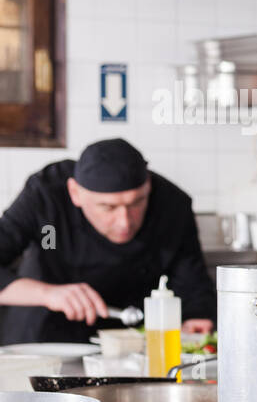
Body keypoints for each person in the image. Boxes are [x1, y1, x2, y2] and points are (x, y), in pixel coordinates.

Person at [0, 138, 216, 343]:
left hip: (128, 344)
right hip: (41, 339)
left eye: (137, 203)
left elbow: (193, 283)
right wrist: (47, 293)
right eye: (108, 207)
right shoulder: (46, 195)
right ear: (75, 193)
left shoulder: (172, 204)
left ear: (148, 185)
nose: (124, 222)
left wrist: (198, 319)